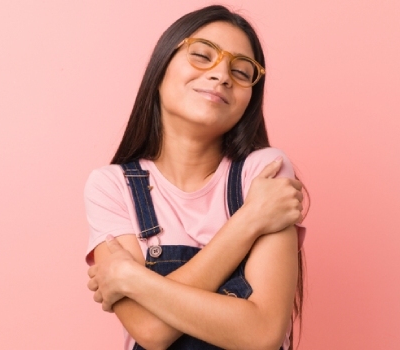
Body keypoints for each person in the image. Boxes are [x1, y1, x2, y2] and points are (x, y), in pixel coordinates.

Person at [84, 5, 307, 350]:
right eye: (202, 55)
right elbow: (150, 330)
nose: (221, 75)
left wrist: (131, 277)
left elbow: (263, 332)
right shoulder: (112, 187)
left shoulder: (264, 171)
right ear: (160, 68)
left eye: (242, 71)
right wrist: (248, 221)